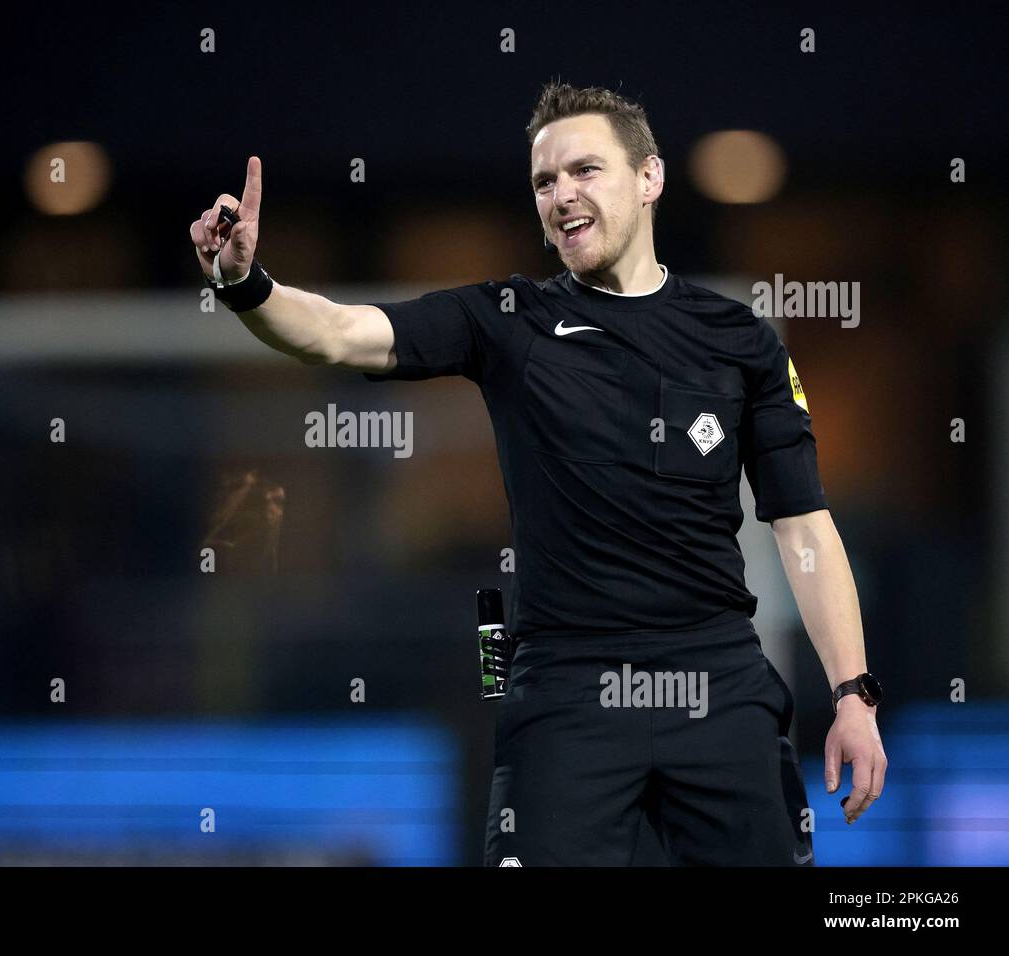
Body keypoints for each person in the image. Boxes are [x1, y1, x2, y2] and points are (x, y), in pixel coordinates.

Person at [189, 82, 886, 865]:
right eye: (545, 182)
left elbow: (803, 526)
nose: (562, 195)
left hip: (716, 679)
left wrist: (853, 695)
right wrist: (247, 284)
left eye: (585, 170)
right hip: (566, 688)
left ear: (648, 178)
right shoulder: (507, 322)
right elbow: (342, 335)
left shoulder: (741, 340)